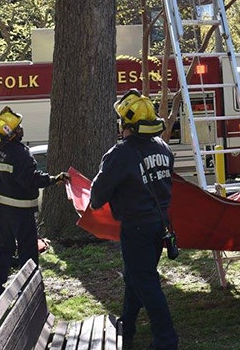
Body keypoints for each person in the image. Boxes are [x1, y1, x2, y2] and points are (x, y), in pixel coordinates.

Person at [90, 89, 178, 349]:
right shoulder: (163, 147)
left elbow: (97, 196)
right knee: (135, 278)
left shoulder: (120, 154)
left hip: (136, 227)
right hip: (159, 224)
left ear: (126, 124)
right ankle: (127, 326)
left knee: (147, 283)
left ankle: (166, 340)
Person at [0, 107, 66, 303]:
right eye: (18, 127)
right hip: (20, 212)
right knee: (27, 251)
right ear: (11, 134)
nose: (21, 129)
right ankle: (29, 291)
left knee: (2, 248)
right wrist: (53, 180)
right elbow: (29, 179)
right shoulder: (21, 153)